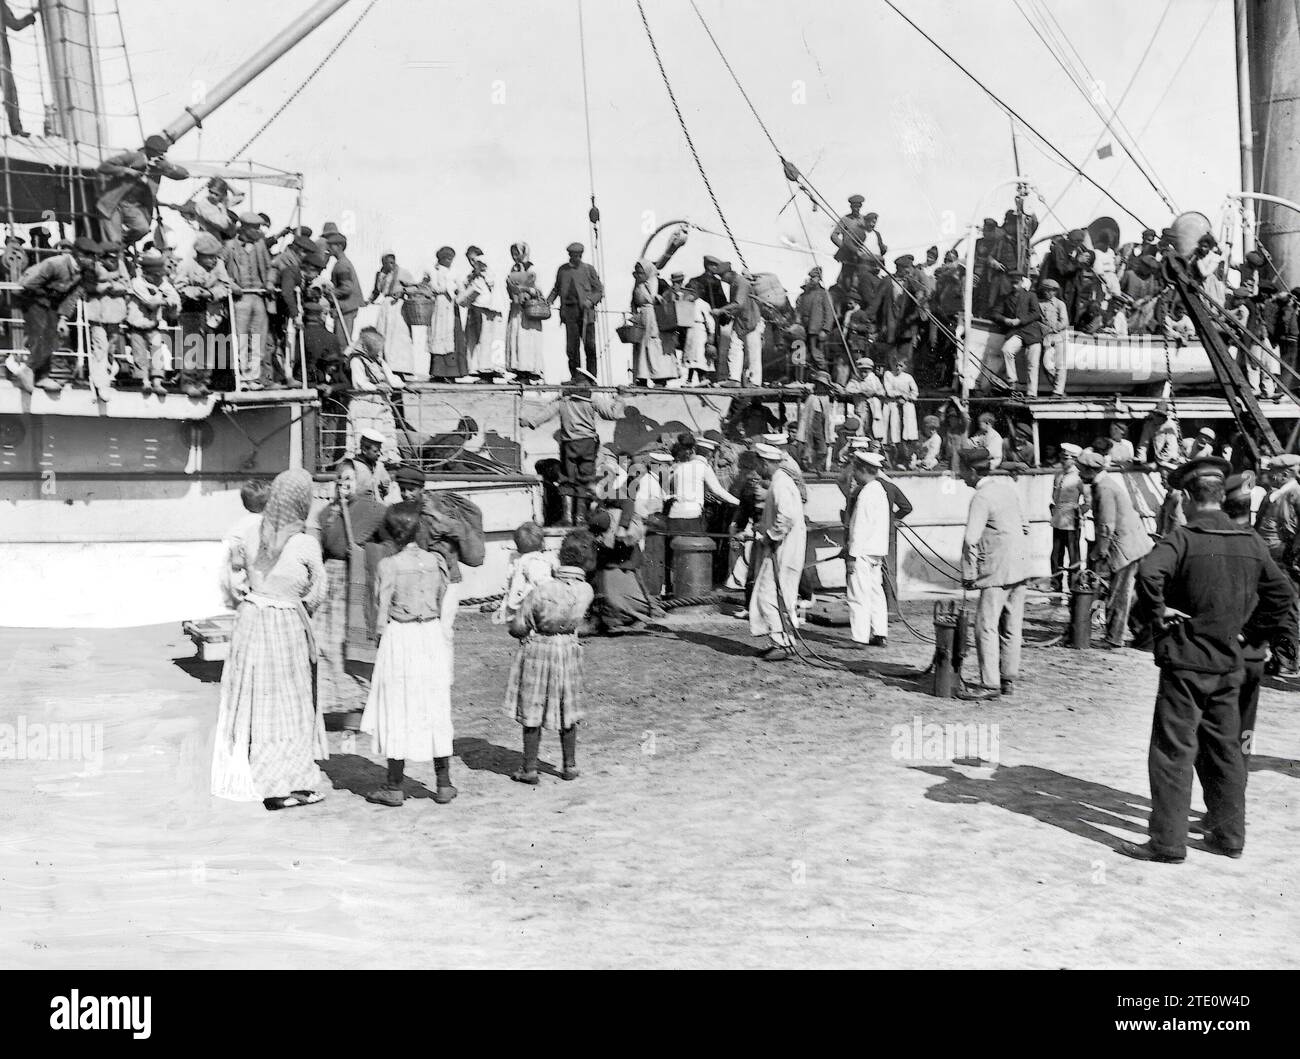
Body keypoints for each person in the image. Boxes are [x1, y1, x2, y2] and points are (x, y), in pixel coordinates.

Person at [1126, 456, 1295, 862]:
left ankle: (1167, 843)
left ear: (1186, 496)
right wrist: (1252, 633)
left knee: (1173, 751)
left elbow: (1149, 575)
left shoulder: (1182, 539)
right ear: (1220, 495)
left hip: (1186, 662)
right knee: (1225, 752)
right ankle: (1228, 837)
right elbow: (1283, 595)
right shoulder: (1251, 542)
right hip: (1230, 664)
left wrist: (1159, 614)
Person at [211, 469, 329, 810]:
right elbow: (318, 592)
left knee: (256, 705)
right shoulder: (305, 542)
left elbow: (233, 582)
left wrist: (252, 599)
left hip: (251, 624)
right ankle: (290, 784)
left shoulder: (250, 534)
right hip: (286, 626)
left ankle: (258, 781)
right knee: (290, 706)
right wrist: (293, 606)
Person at [358, 503, 457, 807]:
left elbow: (381, 607)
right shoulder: (436, 561)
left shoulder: (388, 565)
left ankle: (394, 785)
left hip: (400, 637)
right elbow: (443, 598)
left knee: (397, 706)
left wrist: (378, 638)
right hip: (430, 635)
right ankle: (443, 783)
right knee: (434, 704)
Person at [503, 528, 598, 788]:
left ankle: (529, 768)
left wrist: (517, 624)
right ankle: (569, 765)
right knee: (568, 706)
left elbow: (519, 627)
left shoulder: (543, 590)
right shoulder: (586, 591)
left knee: (532, 706)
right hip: (568, 648)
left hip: (539, 649)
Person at [312, 458, 388, 716]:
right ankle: (332, 701)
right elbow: (324, 544)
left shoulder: (376, 511)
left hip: (359, 581)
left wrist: (363, 552)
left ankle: (359, 702)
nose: (343, 484)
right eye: (340, 479)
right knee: (326, 641)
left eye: (350, 479)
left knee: (354, 644)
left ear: (363, 481)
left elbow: (390, 544)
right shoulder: (328, 511)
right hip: (331, 582)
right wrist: (335, 514)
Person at [960, 446, 1031, 696]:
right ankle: (1008, 679)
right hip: (1020, 566)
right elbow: (1025, 526)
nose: (960, 476)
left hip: (996, 572)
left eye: (961, 471)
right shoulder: (1006, 488)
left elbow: (970, 539)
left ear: (971, 471)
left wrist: (969, 574)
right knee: (1012, 625)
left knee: (986, 625)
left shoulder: (981, 497)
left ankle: (989, 683)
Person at [519, 371, 625, 525]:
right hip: (588, 444)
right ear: (587, 383)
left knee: (567, 479)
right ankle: (580, 517)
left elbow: (545, 415)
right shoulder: (592, 399)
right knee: (584, 479)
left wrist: (529, 422)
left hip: (569, 445)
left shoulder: (563, 399)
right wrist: (620, 397)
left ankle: (567, 517)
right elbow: (612, 414)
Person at [1077, 450, 1153, 648]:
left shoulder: (1104, 488)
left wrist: (1100, 551)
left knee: (1118, 593)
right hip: (1135, 545)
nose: (1078, 473)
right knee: (1131, 594)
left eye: (1081, 469)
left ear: (1090, 470)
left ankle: (1114, 638)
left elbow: (1106, 526)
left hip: (1124, 548)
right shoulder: (1105, 483)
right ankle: (1144, 635)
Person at [7, 235, 98, 394]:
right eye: (90, 256)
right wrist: (45, 296)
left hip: (52, 304)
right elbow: (27, 283)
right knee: (41, 333)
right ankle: (28, 370)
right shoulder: (55, 264)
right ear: (80, 255)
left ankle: (41, 376)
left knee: (54, 336)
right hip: (33, 298)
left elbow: (72, 297)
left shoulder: (84, 273)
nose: (93, 260)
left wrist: (63, 318)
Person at [749, 442, 807, 660]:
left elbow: (786, 516)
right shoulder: (780, 481)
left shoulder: (781, 483)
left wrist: (771, 536)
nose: (757, 469)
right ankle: (783, 640)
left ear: (764, 462)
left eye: (758, 463)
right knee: (781, 593)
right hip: (785, 545)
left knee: (769, 593)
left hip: (783, 547)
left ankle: (781, 643)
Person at [96, 135, 190, 247]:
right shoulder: (133, 157)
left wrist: (169, 166)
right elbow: (103, 167)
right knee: (114, 239)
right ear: (149, 150)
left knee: (143, 229)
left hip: (132, 206)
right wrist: (125, 170)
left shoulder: (159, 166)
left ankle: (122, 245)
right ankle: (116, 246)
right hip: (114, 204)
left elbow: (184, 175)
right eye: (158, 153)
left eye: (162, 154)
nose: (160, 156)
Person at [173, 233, 234, 398]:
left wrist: (211, 293)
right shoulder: (186, 265)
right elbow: (178, 286)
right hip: (190, 310)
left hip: (211, 312)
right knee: (192, 346)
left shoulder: (219, 265)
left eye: (215, 257)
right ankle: (188, 382)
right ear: (199, 255)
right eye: (209, 257)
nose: (213, 261)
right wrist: (193, 291)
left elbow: (225, 285)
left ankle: (203, 382)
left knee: (207, 348)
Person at [844, 450, 891, 646]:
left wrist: (851, 555)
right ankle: (880, 632)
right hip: (877, 550)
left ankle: (859, 637)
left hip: (862, 551)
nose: (853, 473)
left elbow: (859, 527)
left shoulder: (866, 494)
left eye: (856, 469)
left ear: (864, 470)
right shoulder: (880, 490)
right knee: (875, 592)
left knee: (858, 594)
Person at [224, 212, 274, 389]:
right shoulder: (229, 246)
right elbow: (220, 271)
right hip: (241, 298)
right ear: (244, 229)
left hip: (258, 296)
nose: (259, 232)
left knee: (258, 338)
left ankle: (253, 377)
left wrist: (269, 281)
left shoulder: (260, 246)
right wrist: (232, 284)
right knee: (241, 338)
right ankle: (242, 378)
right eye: (255, 229)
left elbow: (270, 268)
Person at [82, 240, 132, 401]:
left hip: (115, 313)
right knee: (100, 347)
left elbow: (126, 285)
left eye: (115, 257)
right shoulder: (92, 266)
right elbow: (88, 286)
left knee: (111, 347)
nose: (113, 261)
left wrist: (112, 285)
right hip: (97, 313)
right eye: (110, 258)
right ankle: (101, 384)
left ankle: (107, 376)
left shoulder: (121, 265)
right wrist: (105, 285)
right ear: (102, 257)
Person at [124, 248, 179, 396]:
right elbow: (150, 303)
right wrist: (163, 297)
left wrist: (167, 298)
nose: (158, 277)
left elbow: (175, 298)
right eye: (155, 275)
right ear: (146, 272)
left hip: (153, 324)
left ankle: (157, 381)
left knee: (157, 351)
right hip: (136, 325)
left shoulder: (162, 282)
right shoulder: (137, 283)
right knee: (139, 353)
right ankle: (145, 382)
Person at [548, 242, 603, 377]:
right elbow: (556, 289)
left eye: (577, 255)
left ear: (581, 255)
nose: (575, 258)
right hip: (569, 313)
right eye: (573, 255)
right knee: (572, 348)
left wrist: (591, 300)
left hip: (586, 314)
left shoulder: (589, 269)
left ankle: (591, 377)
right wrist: (548, 301)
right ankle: (576, 376)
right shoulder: (562, 270)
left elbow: (599, 290)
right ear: (569, 255)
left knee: (589, 346)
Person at [493, 521, 558, 625]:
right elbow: (542, 583)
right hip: (531, 604)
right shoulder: (536, 561)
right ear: (542, 543)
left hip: (515, 602)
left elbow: (507, 581)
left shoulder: (516, 560)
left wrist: (503, 607)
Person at [992, 269, 1045, 395]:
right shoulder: (1005, 298)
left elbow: (1036, 313)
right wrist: (1006, 320)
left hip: (1032, 333)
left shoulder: (1031, 295)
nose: (1014, 285)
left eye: (1016, 283)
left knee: (1033, 363)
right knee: (1007, 350)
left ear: (1022, 282)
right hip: (1017, 333)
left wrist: (1020, 320)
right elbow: (995, 313)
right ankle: (1012, 381)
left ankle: (1032, 393)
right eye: (1012, 283)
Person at [459, 251, 506, 381]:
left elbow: (474, 292)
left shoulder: (485, 276)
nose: (473, 263)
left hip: (486, 310)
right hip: (480, 309)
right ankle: (477, 367)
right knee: (478, 339)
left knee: (487, 339)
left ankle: (487, 369)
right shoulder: (477, 276)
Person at [505, 241, 546, 383]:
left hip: (529, 309)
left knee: (528, 339)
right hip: (517, 309)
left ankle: (530, 371)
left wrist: (527, 289)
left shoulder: (533, 268)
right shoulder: (514, 268)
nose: (515, 257)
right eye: (513, 254)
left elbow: (538, 288)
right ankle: (520, 371)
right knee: (517, 338)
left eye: (517, 253)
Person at [631, 259, 677, 386]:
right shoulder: (638, 285)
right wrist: (634, 316)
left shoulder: (659, 284)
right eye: (637, 273)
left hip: (657, 318)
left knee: (656, 346)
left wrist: (661, 298)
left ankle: (659, 378)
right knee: (641, 348)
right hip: (643, 319)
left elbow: (671, 299)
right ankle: (642, 377)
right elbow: (633, 303)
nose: (638, 275)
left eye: (641, 273)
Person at [687, 254, 732, 381]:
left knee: (694, 350)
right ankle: (709, 378)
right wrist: (724, 317)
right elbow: (723, 302)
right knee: (711, 349)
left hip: (696, 321)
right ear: (708, 266)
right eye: (714, 265)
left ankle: (693, 379)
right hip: (711, 320)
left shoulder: (694, 280)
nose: (716, 268)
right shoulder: (716, 282)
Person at [321, 224, 364, 356]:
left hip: (346, 308)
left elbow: (346, 288)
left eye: (331, 245)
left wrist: (331, 292)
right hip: (347, 307)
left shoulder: (341, 265)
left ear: (339, 246)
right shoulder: (343, 263)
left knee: (342, 341)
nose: (328, 248)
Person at [1050, 442, 1085, 595]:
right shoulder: (1059, 475)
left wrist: (1079, 512)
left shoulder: (1079, 477)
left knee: (1073, 554)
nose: (1062, 461)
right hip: (1058, 518)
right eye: (1062, 457)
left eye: (1066, 458)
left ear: (1074, 459)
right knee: (1056, 554)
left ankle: (1074, 585)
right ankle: (1056, 584)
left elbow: (1088, 501)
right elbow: (1054, 496)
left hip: (1072, 519)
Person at [720, 265, 764, 386]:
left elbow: (738, 303)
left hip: (752, 320)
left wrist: (721, 310)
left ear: (729, 274)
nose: (723, 280)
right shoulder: (734, 285)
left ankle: (754, 381)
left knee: (753, 352)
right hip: (741, 321)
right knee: (734, 348)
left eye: (723, 277)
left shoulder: (741, 283)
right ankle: (734, 379)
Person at [427, 246, 466, 381]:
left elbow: (461, 289)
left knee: (452, 337)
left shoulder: (455, 272)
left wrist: (457, 293)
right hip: (439, 306)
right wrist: (442, 289)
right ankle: (438, 372)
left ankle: (452, 373)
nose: (449, 261)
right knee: (438, 335)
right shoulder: (434, 270)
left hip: (451, 306)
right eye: (447, 258)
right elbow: (432, 286)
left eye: (451, 259)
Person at [796, 266, 836, 373]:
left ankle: (824, 377)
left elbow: (829, 313)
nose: (812, 279)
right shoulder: (805, 295)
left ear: (819, 278)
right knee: (801, 353)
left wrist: (825, 329)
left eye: (814, 277)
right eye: (811, 277)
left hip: (816, 330)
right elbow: (799, 310)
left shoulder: (824, 294)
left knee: (816, 354)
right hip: (804, 329)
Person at [881, 356, 919, 468]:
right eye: (896, 365)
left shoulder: (908, 377)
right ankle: (894, 460)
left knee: (907, 432)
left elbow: (915, 392)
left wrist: (907, 397)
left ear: (905, 367)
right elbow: (888, 390)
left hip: (906, 406)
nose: (898, 368)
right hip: (893, 405)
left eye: (901, 366)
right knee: (894, 432)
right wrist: (899, 395)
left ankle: (907, 460)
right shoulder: (888, 374)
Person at [680, 281, 714, 385]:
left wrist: (711, 334)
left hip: (700, 331)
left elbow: (710, 321)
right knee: (690, 356)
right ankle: (689, 379)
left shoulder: (703, 304)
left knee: (699, 355)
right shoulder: (688, 304)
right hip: (690, 331)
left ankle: (702, 378)